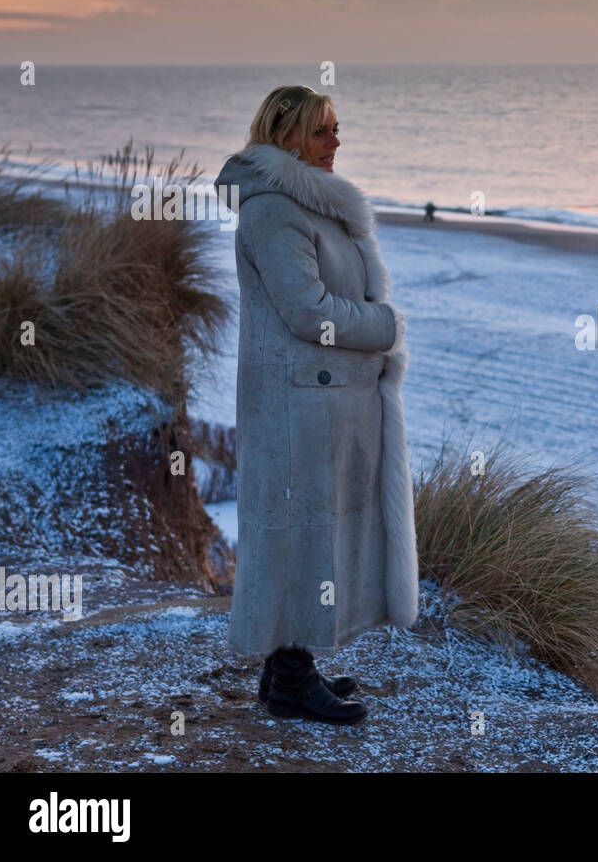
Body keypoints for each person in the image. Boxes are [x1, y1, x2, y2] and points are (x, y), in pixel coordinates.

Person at [214, 85, 419, 724]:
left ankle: (286, 674)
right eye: (323, 131)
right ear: (288, 138)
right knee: (301, 537)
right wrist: (384, 326)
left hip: (321, 401)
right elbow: (308, 312)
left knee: (313, 533)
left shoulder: (310, 201)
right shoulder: (273, 209)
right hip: (296, 405)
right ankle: (294, 679)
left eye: (337, 129)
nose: (336, 142)